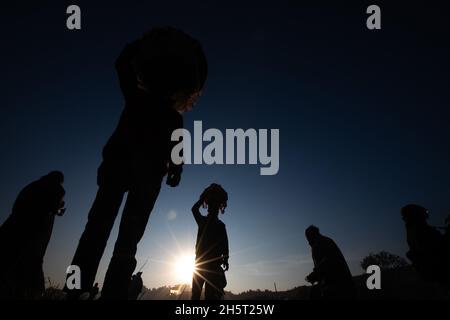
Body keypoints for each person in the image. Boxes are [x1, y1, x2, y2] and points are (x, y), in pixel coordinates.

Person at [65, 27, 208, 299]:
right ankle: (105, 293)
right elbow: (177, 161)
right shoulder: (167, 114)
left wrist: (142, 44)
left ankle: (80, 291)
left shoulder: (140, 99)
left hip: (128, 171)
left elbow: (122, 63)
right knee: (119, 237)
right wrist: (175, 171)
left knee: (100, 230)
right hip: (140, 175)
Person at [0, 171, 66, 299]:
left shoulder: (32, 186)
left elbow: (17, 205)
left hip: (13, 226)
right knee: (31, 262)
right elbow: (52, 207)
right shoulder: (58, 189)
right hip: (34, 231)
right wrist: (59, 209)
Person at [191, 184, 229, 300]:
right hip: (202, 265)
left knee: (206, 296)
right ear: (210, 208)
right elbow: (193, 209)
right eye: (213, 207)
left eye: (216, 207)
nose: (215, 210)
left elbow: (225, 245)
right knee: (198, 295)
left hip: (208, 266)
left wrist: (226, 259)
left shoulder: (219, 226)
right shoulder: (204, 222)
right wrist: (204, 198)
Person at [401, 204, 449, 287]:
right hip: (439, 267)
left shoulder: (414, 229)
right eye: (423, 216)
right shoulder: (420, 230)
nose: (425, 219)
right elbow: (437, 246)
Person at [304, 225, 355, 300]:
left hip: (337, 286)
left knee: (314, 293)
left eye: (308, 238)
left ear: (311, 236)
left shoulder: (319, 244)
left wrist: (314, 275)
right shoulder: (326, 241)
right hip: (343, 284)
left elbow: (327, 263)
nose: (308, 242)